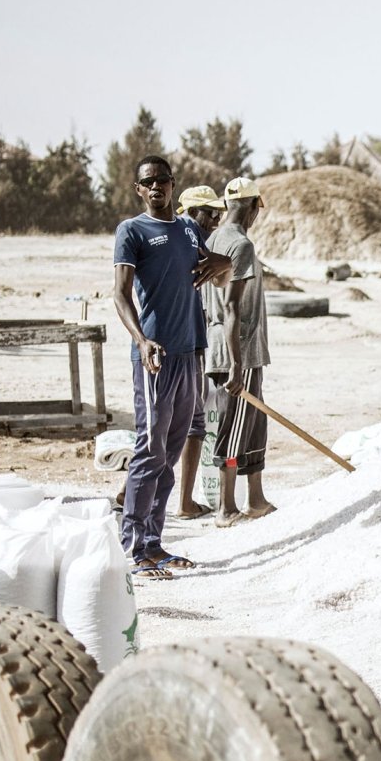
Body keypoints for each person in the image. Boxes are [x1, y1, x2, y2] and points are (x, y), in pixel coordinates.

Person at [113, 157, 230, 579]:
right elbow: (120, 294)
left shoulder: (186, 229)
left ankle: (154, 542)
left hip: (190, 354)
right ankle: (133, 546)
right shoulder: (132, 231)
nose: (156, 186)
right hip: (156, 356)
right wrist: (141, 340)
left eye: (163, 179)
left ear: (173, 185)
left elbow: (218, 271)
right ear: (139, 189)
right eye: (149, 182)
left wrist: (224, 266)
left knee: (172, 452)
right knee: (150, 449)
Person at [205, 176, 274, 528]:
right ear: (251, 207)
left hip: (230, 347)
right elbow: (232, 307)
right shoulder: (240, 246)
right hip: (238, 351)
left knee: (253, 424)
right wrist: (235, 363)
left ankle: (256, 498)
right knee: (234, 428)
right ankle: (226, 507)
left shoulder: (212, 239)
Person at [174, 186, 226, 518]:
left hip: (176, 341)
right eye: (210, 213)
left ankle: (129, 493)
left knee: (164, 421)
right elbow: (224, 278)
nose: (215, 221)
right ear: (193, 212)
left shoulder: (177, 238)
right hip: (185, 344)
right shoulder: (189, 236)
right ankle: (184, 504)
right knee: (192, 424)